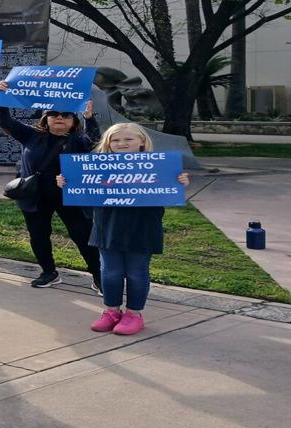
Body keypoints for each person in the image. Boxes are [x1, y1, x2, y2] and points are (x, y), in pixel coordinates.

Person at [56, 123, 192, 336]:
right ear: (108, 143)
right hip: (107, 225)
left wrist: (179, 181)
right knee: (109, 271)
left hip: (142, 226)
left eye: (128, 139)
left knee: (137, 272)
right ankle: (111, 311)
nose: (121, 143)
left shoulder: (158, 166)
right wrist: (68, 182)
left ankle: (134, 314)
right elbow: (83, 192)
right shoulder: (97, 167)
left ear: (142, 142)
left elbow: (167, 190)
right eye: (116, 140)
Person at [0, 81, 103, 290]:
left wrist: (90, 118)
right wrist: (2, 97)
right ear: (46, 118)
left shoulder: (80, 139)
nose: (59, 117)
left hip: (71, 197)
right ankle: (48, 272)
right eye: (54, 114)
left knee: (82, 236)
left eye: (66, 114)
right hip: (35, 196)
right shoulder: (32, 135)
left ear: (73, 120)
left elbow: (96, 143)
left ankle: (98, 276)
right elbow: (5, 122)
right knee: (39, 235)